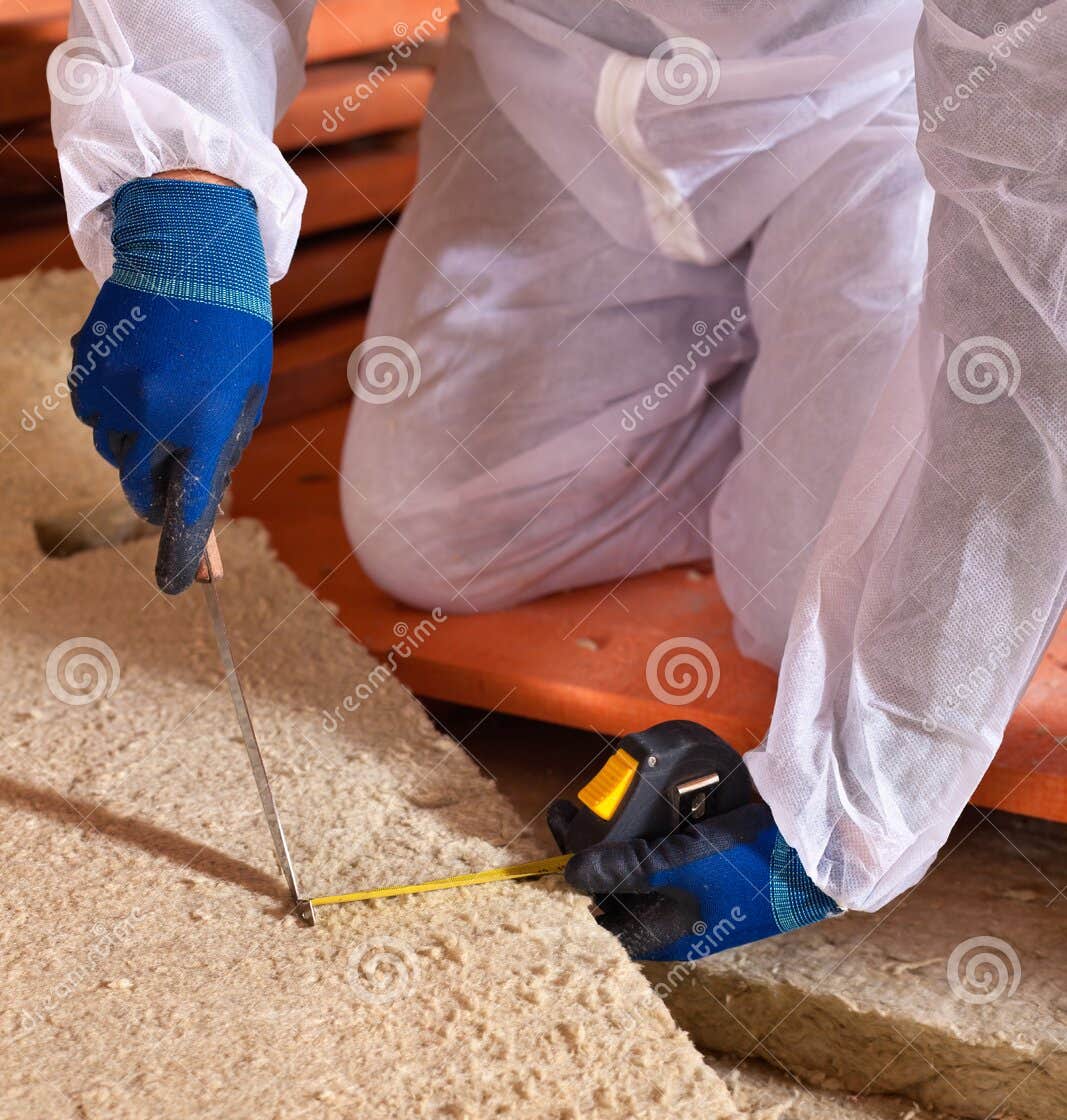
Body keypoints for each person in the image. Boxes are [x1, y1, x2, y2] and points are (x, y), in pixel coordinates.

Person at [52, 1, 1065, 963]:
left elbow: (1033, 262)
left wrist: (847, 826)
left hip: (880, 104)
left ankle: (817, 352)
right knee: (432, 528)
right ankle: (764, 374)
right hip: (550, 78)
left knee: (800, 595)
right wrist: (183, 195)